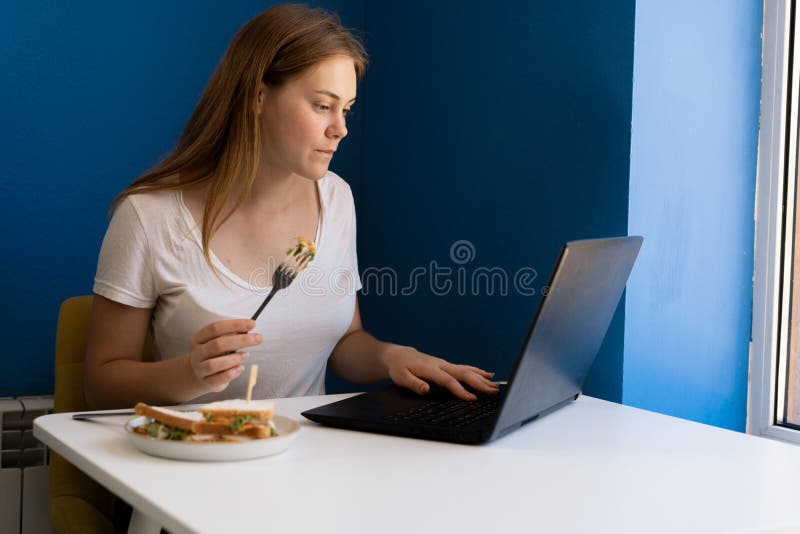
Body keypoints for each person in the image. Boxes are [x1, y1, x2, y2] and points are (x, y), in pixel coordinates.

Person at [84, 3, 498, 410]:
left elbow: (344, 342)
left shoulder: (336, 199)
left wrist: (391, 356)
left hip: (307, 451)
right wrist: (189, 374)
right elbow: (100, 385)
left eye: (346, 109)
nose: (341, 129)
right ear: (258, 96)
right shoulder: (149, 215)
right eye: (323, 106)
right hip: (196, 448)